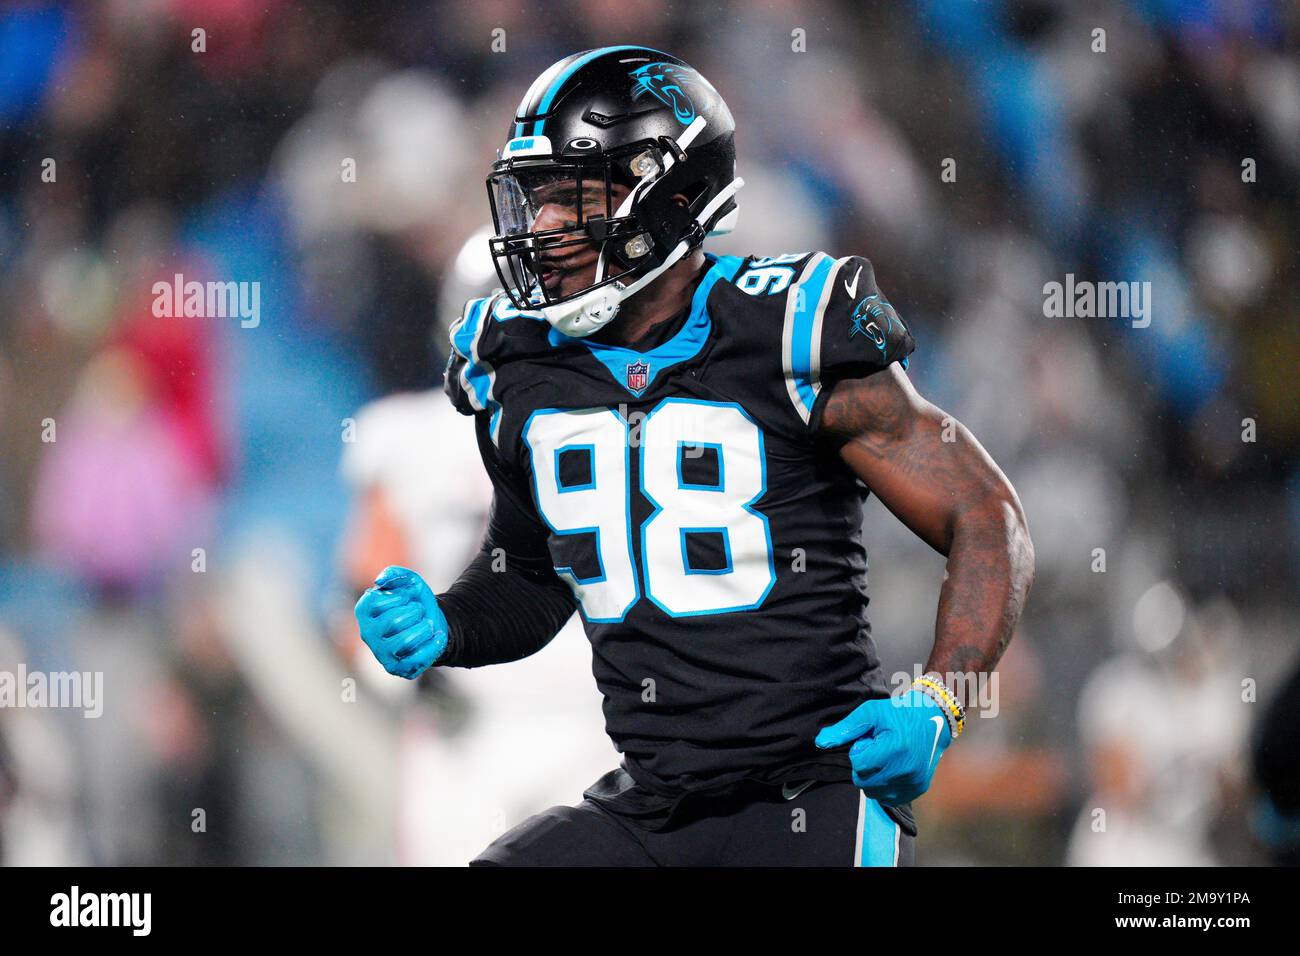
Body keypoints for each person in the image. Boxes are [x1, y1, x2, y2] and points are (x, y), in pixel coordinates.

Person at [355, 46, 1034, 866]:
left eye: (572, 201)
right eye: (534, 203)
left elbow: (985, 515)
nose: (540, 230)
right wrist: (450, 620)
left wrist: (940, 700)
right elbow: (533, 575)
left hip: (809, 795)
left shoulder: (791, 328)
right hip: (650, 804)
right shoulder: (518, 363)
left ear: (673, 200)